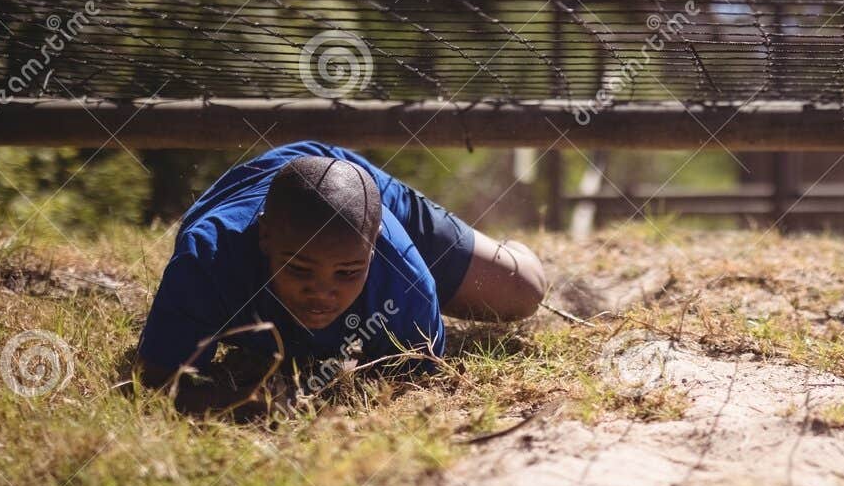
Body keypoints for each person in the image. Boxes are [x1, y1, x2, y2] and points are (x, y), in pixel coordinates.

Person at [136, 142, 547, 414]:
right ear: (264, 237)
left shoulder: (402, 274)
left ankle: (501, 248)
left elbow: (416, 372)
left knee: (522, 291)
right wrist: (252, 404)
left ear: (374, 249)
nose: (322, 292)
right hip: (291, 192)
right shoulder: (208, 258)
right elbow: (159, 382)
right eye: (299, 268)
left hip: (356, 187)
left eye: (347, 273)